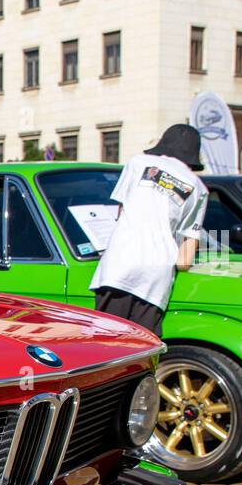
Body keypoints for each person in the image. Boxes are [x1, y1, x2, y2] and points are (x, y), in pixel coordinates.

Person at [89, 124, 209, 336]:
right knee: (142, 351)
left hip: (119, 266)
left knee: (107, 345)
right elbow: (184, 260)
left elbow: (120, 213)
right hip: (155, 278)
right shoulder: (198, 187)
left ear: (163, 143)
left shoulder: (138, 163)